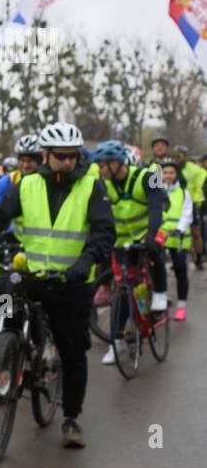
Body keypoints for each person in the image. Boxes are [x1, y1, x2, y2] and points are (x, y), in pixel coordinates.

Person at [0, 123, 113, 448]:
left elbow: (103, 232)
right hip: (33, 278)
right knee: (5, 296)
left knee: (73, 352)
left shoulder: (92, 186)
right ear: (46, 155)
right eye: (61, 156)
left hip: (71, 283)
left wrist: (84, 263)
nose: (68, 161)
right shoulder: (27, 185)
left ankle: (71, 417)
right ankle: (10, 349)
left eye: (73, 155)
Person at [91, 139, 167, 364]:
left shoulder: (147, 176)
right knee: (122, 289)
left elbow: (156, 208)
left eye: (103, 165)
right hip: (122, 241)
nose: (100, 169)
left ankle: (160, 295)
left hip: (148, 232)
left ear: (117, 163)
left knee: (154, 251)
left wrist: (151, 236)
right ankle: (117, 342)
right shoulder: (102, 184)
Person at [157, 159, 193, 322]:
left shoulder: (184, 193)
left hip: (178, 239)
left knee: (180, 271)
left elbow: (187, 214)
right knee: (157, 272)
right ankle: (160, 305)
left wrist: (179, 228)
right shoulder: (156, 191)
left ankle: (181, 307)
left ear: (176, 175)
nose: (168, 175)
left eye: (171, 172)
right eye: (165, 172)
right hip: (159, 237)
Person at [0, 133, 41, 216]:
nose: (25, 165)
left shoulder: (46, 179)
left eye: (29, 161)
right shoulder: (9, 180)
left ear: (39, 161)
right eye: (22, 160)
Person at [171, 144, 206, 270]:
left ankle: (198, 257)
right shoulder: (173, 169)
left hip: (193, 204)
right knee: (176, 230)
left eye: (179, 156)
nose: (177, 159)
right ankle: (177, 258)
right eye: (174, 156)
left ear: (185, 157)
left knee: (196, 231)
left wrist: (196, 201)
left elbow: (200, 186)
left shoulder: (195, 170)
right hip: (177, 205)